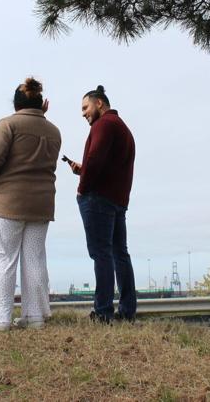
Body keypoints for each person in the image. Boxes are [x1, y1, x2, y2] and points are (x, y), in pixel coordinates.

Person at [0, 78, 61, 331]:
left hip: (8, 202)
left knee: (4, 259)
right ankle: (34, 316)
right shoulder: (54, 131)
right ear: (42, 103)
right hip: (42, 204)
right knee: (35, 259)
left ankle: (1, 317)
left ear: (16, 104)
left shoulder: (8, 124)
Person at [68, 85, 136, 323]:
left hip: (99, 199)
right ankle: (127, 311)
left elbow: (95, 158)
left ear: (99, 103)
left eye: (85, 107)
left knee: (102, 254)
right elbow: (109, 165)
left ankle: (103, 311)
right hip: (117, 200)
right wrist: (83, 170)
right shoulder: (122, 127)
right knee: (120, 254)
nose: (83, 113)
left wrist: (82, 188)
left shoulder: (103, 125)